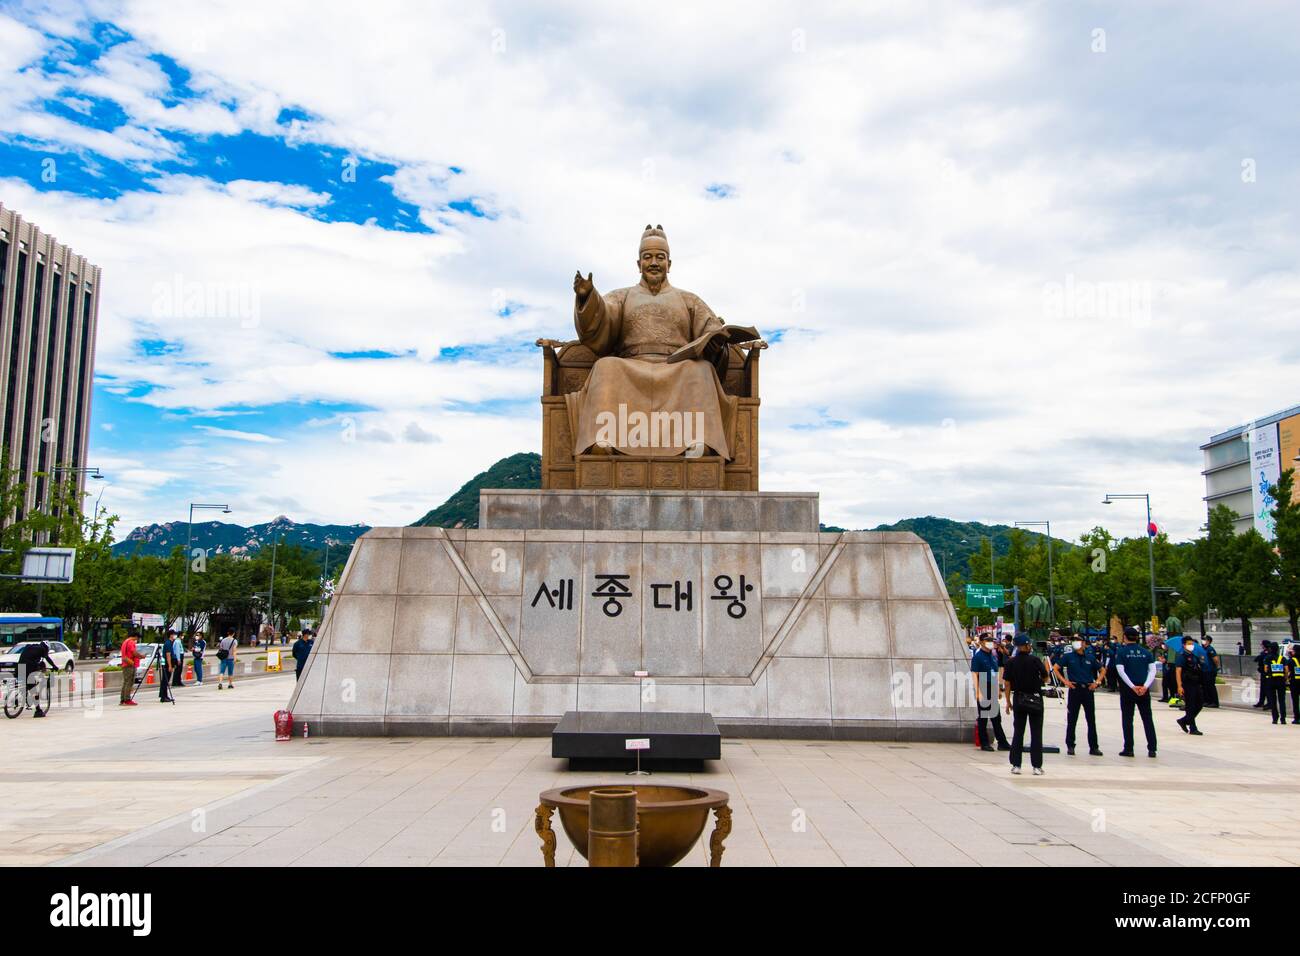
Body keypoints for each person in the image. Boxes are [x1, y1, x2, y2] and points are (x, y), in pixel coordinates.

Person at [1003, 634, 1048, 775]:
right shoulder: (1035, 660)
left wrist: (1008, 701)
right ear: (1027, 645)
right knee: (1036, 733)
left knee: (1018, 732)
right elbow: (1046, 677)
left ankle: (1016, 765)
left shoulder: (1011, 662)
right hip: (1034, 698)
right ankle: (1036, 766)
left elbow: (1007, 683)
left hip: (1019, 698)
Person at [1055, 635, 1105, 756]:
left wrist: (1097, 682)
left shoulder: (1090, 657)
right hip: (1075, 689)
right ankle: (1070, 745)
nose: (1076, 643)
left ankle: (1094, 747)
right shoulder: (1068, 656)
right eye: (1074, 641)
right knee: (1072, 719)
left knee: (1091, 720)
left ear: (1083, 643)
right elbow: (1056, 668)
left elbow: (1102, 669)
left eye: (1078, 641)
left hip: (1088, 689)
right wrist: (1065, 681)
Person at [1113, 626, 1158, 758]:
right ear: (1137, 637)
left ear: (1125, 637)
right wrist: (1144, 686)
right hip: (1144, 690)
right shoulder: (1146, 652)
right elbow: (1152, 671)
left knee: (1127, 719)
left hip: (1128, 690)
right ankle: (1152, 748)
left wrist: (1132, 686)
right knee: (1147, 719)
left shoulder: (1121, 652)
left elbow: (1121, 671)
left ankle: (1129, 748)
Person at [970, 634, 1009, 752]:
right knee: (983, 717)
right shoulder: (978, 657)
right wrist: (977, 692)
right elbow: (974, 674)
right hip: (982, 685)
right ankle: (984, 743)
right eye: (987, 640)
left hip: (991, 686)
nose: (990, 642)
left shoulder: (992, 656)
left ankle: (1002, 742)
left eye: (991, 640)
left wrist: (997, 689)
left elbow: (995, 674)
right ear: (981, 642)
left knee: (996, 717)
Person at [15, 640, 57, 717]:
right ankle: (38, 711)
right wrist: (54, 666)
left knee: (26, 684)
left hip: (19, 667)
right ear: (46, 648)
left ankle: (23, 694)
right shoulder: (42, 649)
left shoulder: (29, 646)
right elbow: (47, 658)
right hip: (28, 669)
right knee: (34, 690)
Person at [1175, 635, 1205, 736]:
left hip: (1196, 682)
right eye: (1189, 644)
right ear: (1184, 645)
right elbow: (1178, 671)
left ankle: (1184, 720)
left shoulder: (1194, 656)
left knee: (1199, 703)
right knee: (1190, 705)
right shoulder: (1181, 656)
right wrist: (1179, 686)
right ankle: (1193, 727)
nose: (1191, 646)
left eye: (1192, 644)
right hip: (1187, 684)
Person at [1264, 641, 1289, 725]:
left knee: (1273, 700)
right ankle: (1283, 719)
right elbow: (1286, 670)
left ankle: (1275, 719)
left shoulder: (1267, 658)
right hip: (1281, 681)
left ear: (1270, 649)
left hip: (1271, 681)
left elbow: (1266, 669)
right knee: (1282, 700)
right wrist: (1285, 678)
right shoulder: (1283, 658)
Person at [119, 631, 142, 707]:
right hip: (130, 664)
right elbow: (134, 652)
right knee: (129, 682)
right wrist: (141, 656)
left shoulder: (125, 641)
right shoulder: (131, 642)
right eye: (137, 638)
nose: (137, 640)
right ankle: (127, 699)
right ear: (135, 636)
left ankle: (123, 699)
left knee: (126, 682)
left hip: (125, 664)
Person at [1200, 635, 1219, 707]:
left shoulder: (1210, 649)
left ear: (1208, 641)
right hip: (1204, 670)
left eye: (1204, 640)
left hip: (1210, 670)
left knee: (1210, 686)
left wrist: (1215, 668)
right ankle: (1207, 701)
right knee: (1205, 686)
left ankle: (1214, 702)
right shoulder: (1203, 649)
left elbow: (1216, 660)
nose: (1203, 641)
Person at [1287, 645, 1300, 725]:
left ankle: (1297, 718)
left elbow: (1287, 670)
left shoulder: (1291, 661)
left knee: (1295, 701)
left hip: (1294, 683)